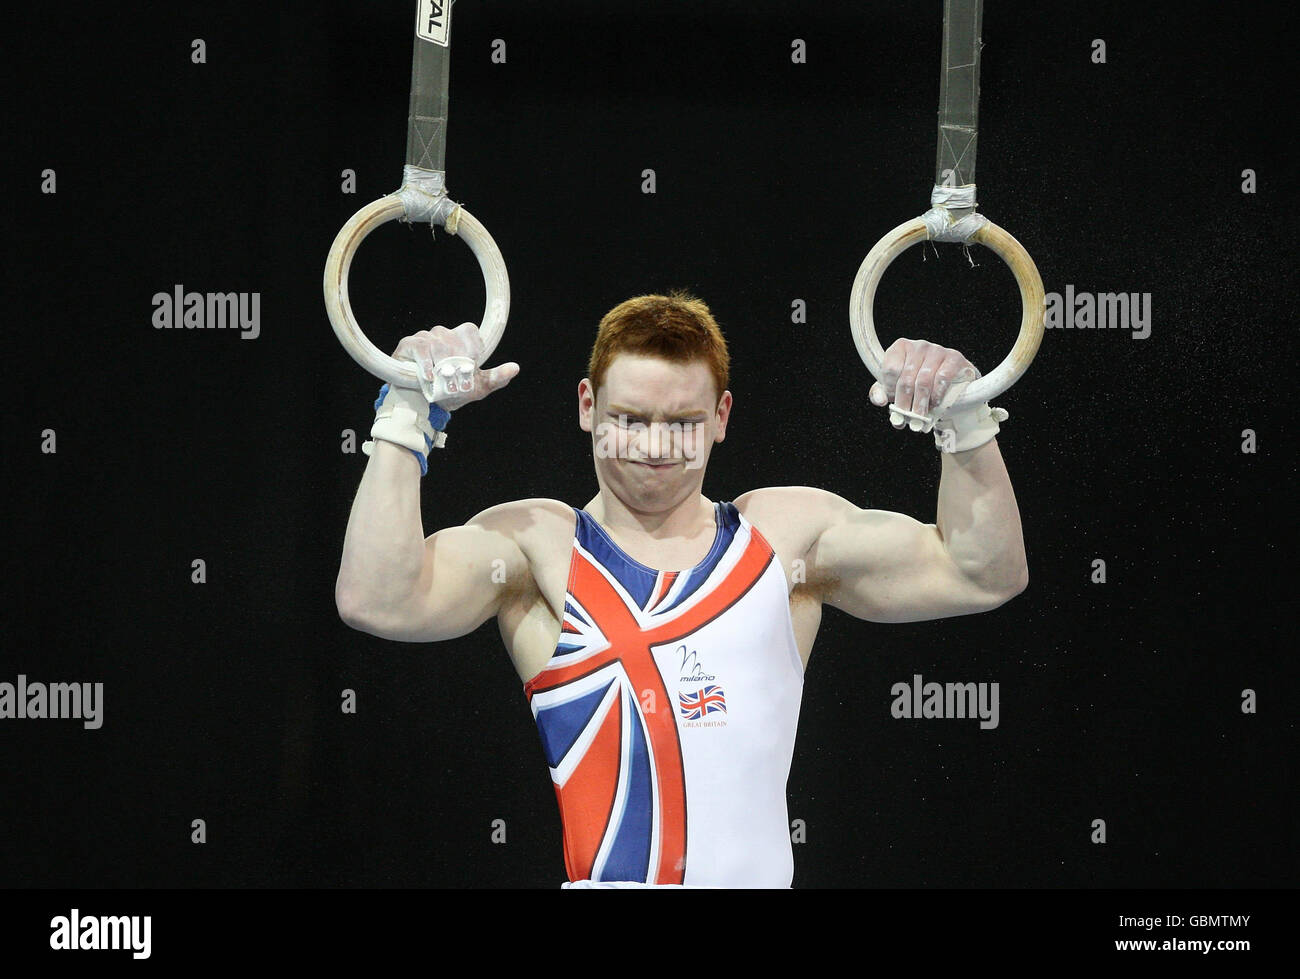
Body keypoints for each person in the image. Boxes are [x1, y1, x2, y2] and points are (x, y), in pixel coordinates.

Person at [335, 290, 1028, 888]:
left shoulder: (785, 538)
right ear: (587, 405)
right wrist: (405, 410)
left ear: (722, 416)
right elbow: (378, 599)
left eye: (684, 423)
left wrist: (963, 419)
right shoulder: (536, 546)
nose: (655, 445)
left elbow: (982, 572)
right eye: (630, 419)